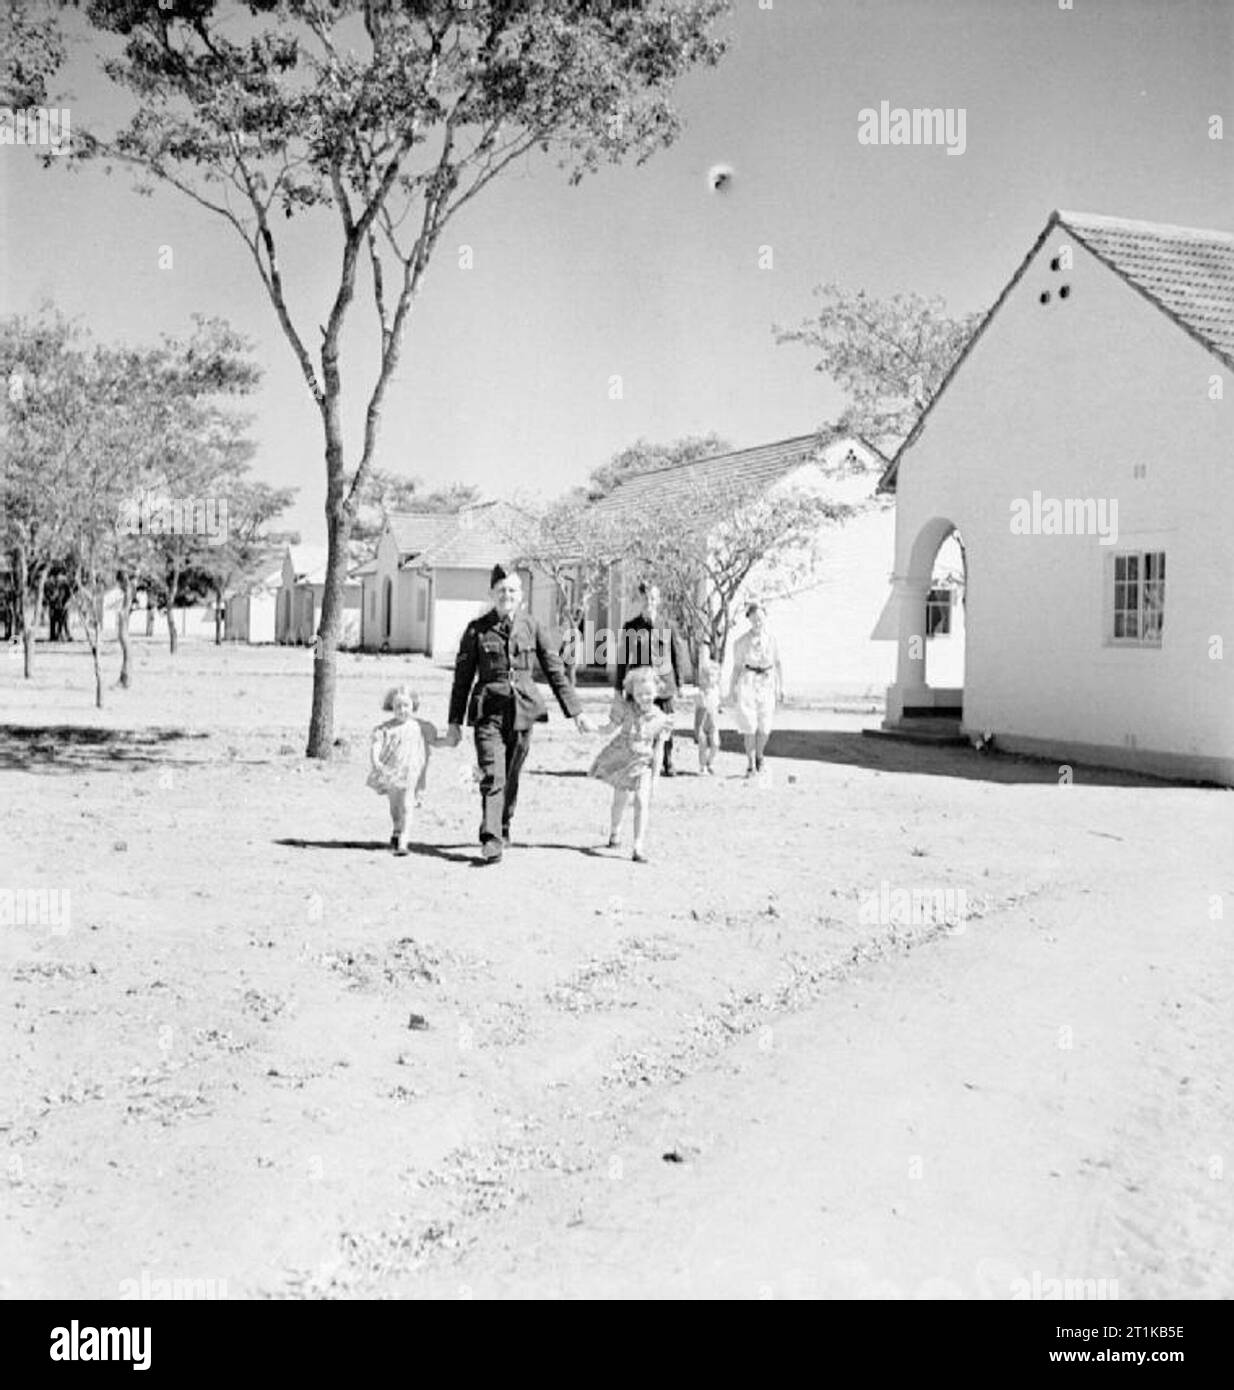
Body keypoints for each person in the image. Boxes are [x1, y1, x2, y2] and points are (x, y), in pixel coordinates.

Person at [447, 565, 591, 862]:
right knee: (492, 773)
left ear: (521, 596)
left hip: (523, 710)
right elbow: (461, 680)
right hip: (489, 712)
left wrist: (576, 712)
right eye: (501, 590)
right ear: (491, 594)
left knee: (511, 775)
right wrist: (454, 723)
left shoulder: (533, 626)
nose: (506, 595)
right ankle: (491, 838)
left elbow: (555, 671)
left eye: (512, 590)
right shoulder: (477, 630)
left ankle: (503, 824)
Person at [589, 666, 672, 863]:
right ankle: (615, 832)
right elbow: (609, 728)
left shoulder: (662, 719)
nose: (645, 697)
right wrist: (592, 727)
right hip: (622, 760)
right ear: (632, 692)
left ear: (657, 692)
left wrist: (655, 779)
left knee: (642, 802)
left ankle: (638, 846)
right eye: (640, 694)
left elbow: (659, 749)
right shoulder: (625, 709)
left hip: (644, 763)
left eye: (649, 693)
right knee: (620, 800)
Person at [615, 580, 688, 776]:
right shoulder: (631, 626)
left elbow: (677, 655)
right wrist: (618, 688)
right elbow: (622, 659)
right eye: (646, 598)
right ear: (641, 600)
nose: (650, 601)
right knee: (638, 725)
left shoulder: (668, 626)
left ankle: (667, 761)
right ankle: (639, 761)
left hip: (663, 685)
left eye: (653, 598)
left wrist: (680, 683)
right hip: (639, 686)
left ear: (659, 600)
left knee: (665, 724)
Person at [367, 685, 445, 856]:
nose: (402, 710)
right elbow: (376, 745)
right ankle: (396, 828)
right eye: (398, 706)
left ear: (413, 706)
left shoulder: (420, 726)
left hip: (411, 772)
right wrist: (376, 761)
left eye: (406, 706)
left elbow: (436, 741)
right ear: (391, 707)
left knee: (407, 804)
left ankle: (404, 838)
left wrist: (450, 740)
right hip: (391, 772)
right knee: (395, 805)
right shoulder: (385, 729)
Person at [728, 601, 784, 779]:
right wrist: (732, 689)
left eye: (760, 618)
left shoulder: (772, 640)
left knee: (765, 727)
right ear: (749, 619)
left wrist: (780, 687)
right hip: (748, 682)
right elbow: (736, 667)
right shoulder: (741, 642)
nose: (757, 621)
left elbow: (778, 664)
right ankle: (751, 764)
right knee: (749, 726)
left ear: (765, 618)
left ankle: (760, 755)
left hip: (766, 683)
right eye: (754, 618)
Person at [693, 638, 722, 775]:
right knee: (702, 746)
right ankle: (702, 766)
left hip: (713, 723)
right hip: (702, 723)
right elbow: (699, 708)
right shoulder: (700, 692)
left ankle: (710, 762)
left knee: (716, 744)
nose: (710, 678)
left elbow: (717, 707)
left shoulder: (716, 691)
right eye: (708, 676)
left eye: (713, 676)